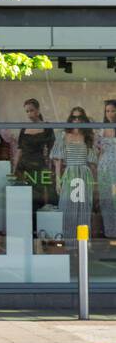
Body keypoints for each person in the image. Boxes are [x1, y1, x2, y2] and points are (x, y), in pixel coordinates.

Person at [52, 108, 97, 245]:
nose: (76, 120)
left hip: (84, 174)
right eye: (74, 117)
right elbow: (58, 160)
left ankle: (83, 244)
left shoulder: (88, 136)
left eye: (79, 118)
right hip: (70, 173)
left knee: (84, 209)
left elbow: (92, 162)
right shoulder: (63, 135)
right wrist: (58, 181)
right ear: (70, 119)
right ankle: (69, 243)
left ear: (84, 119)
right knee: (67, 208)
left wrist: (95, 183)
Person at [13, 98, 56, 218]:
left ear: (37, 110)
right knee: (23, 197)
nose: (29, 114)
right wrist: (14, 168)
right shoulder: (24, 128)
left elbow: (52, 149)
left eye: (31, 110)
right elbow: (19, 150)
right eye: (27, 111)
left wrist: (50, 167)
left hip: (39, 166)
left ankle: (40, 224)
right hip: (24, 166)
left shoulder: (47, 127)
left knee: (41, 196)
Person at [97, 100, 116, 242]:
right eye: (107, 111)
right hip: (104, 168)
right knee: (106, 201)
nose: (110, 114)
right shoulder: (101, 129)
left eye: (113, 110)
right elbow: (98, 150)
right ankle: (110, 236)